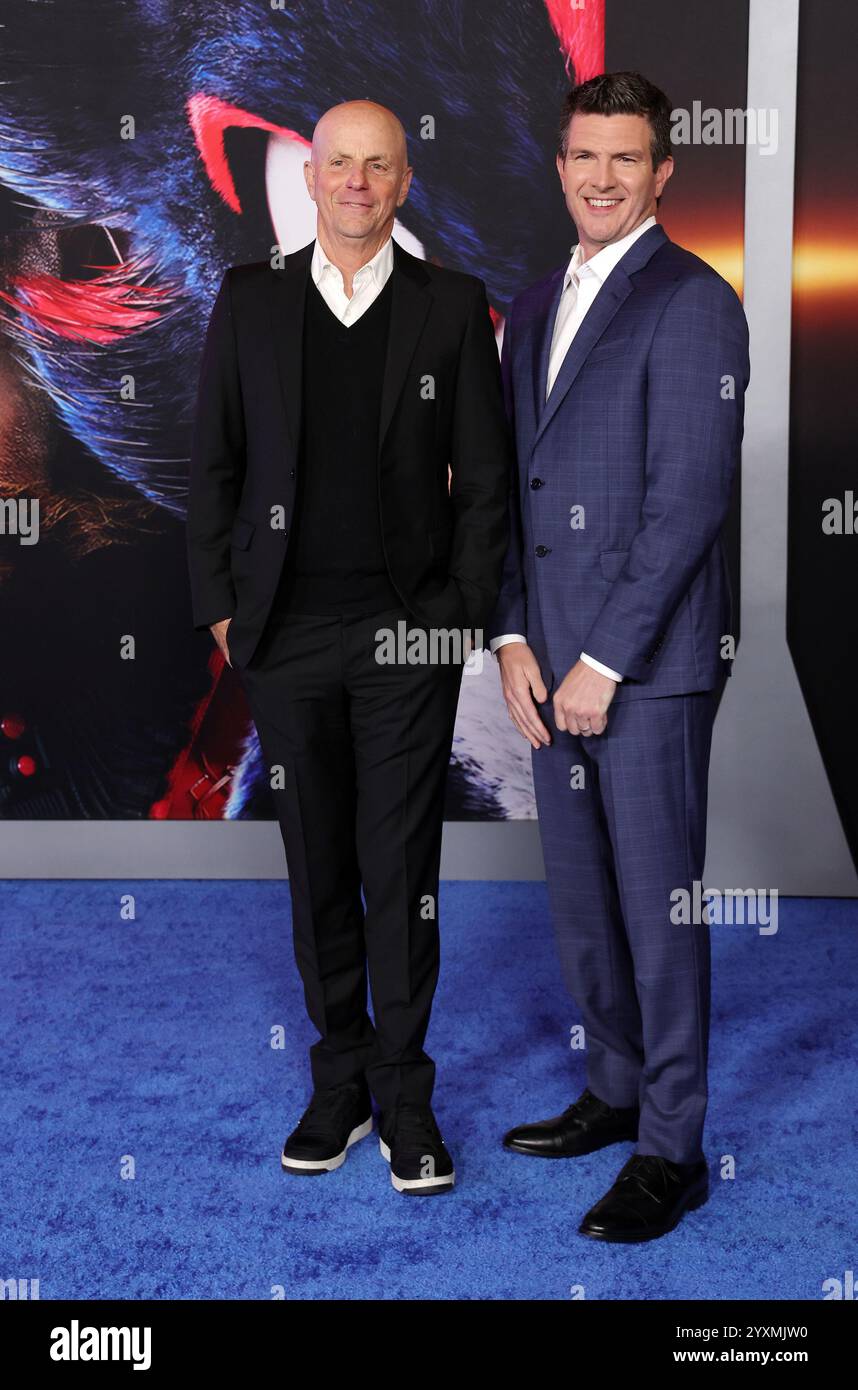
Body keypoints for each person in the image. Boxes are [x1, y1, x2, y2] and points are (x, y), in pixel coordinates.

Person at [187, 100, 510, 1195]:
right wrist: (226, 614)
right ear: (312, 177)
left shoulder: (452, 308)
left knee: (398, 869)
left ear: (404, 182)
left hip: (405, 638)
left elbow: (487, 486)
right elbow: (214, 471)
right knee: (316, 862)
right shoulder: (249, 302)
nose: (358, 183)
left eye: (379, 166)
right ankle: (339, 1085)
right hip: (284, 634)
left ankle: (406, 1096)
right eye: (340, 165)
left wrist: (458, 613)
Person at [489, 71, 749, 1241]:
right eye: (585, 157)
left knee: (658, 910)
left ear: (663, 174)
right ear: (560, 167)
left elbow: (688, 500)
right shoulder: (537, 303)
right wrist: (510, 634)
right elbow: (514, 488)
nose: (603, 178)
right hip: (548, 664)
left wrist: (605, 660)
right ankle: (611, 1090)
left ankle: (672, 1147)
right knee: (586, 906)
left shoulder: (694, 300)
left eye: (626, 160)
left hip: (643, 670)